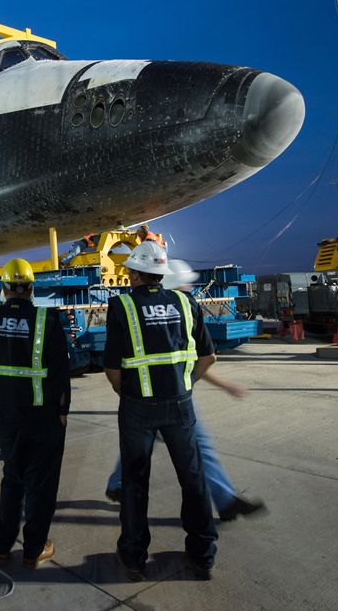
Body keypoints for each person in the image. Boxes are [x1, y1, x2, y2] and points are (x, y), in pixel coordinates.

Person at [105, 259, 265, 522]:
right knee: (193, 450)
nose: (187, 288)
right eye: (183, 283)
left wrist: (212, 384)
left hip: (162, 398)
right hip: (173, 399)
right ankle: (222, 504)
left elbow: (193, 358)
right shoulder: (173, 310)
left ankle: (118, 484)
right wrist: (184, 385)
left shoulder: (172, 308)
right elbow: (203, 358)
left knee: (143, 447)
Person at [103, 241, 217, 581]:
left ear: (137, 273)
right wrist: (185, 385)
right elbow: (209, 357)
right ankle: (202, 555)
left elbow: (112, 368)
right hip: (180, 404)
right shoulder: (185, 302)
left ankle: (134, 557)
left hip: (138, 406)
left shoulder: (121, 306)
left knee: (135, 483)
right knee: (193, 479)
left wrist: (130, 392)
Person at [0, 258, 70, 569]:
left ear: (5, 289)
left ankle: (3, 546)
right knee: (40, 484)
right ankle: (33, 550)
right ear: (32, 288)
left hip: (5, 415)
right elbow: (61, 371)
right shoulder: (47, 319)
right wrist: (63, 412)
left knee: (13, 477)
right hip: (41, 416)